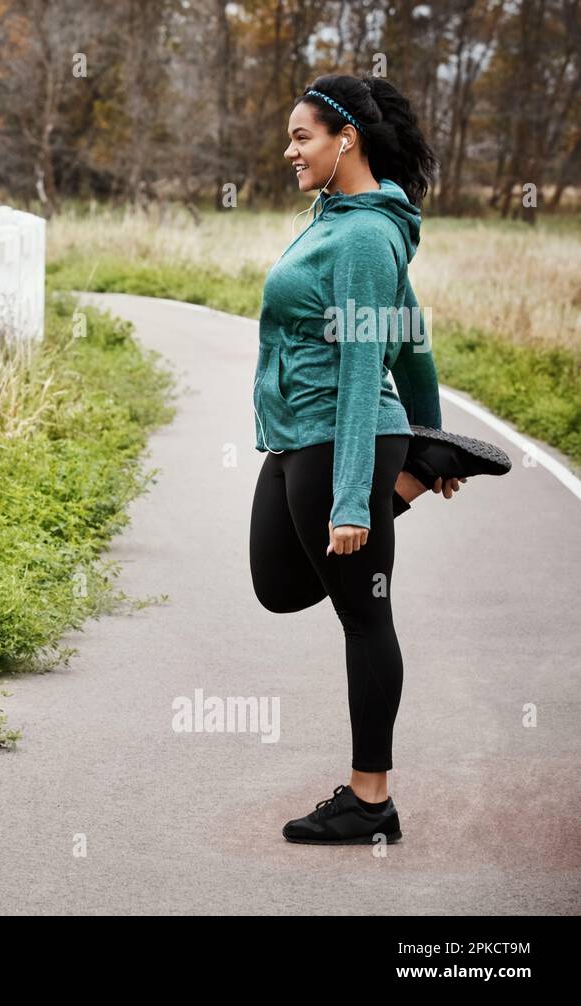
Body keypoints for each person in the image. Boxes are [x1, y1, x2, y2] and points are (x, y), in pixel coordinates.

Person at [249, 73, 457, 845]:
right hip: (300, 435)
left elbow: (370, 360)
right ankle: (407, 480)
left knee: (365, 619)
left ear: (347, 140)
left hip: (345, 437)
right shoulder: (341, 220)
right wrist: (433, 440)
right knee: (277, 584)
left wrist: (351, 499)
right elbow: (414, 331)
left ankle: (371, 802)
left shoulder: (365, 236)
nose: (290, 150)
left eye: (302, 136)